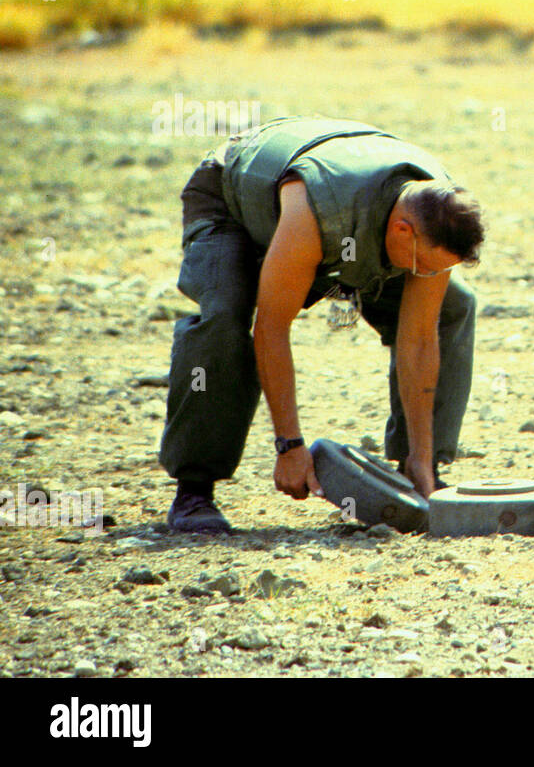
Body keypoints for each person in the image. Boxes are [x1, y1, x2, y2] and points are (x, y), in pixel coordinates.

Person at [159, 115, 484, 533]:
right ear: (403, 231)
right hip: (237, 203)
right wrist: (289, 446)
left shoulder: (436, 213)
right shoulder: (315, 208)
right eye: (423, 264)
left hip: (346, 216)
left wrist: (422, 452)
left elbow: (419, 339)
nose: (425, 274)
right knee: (224, 316)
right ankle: (194, 490)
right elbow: (273, 328)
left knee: (454, 307)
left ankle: (418, 471)